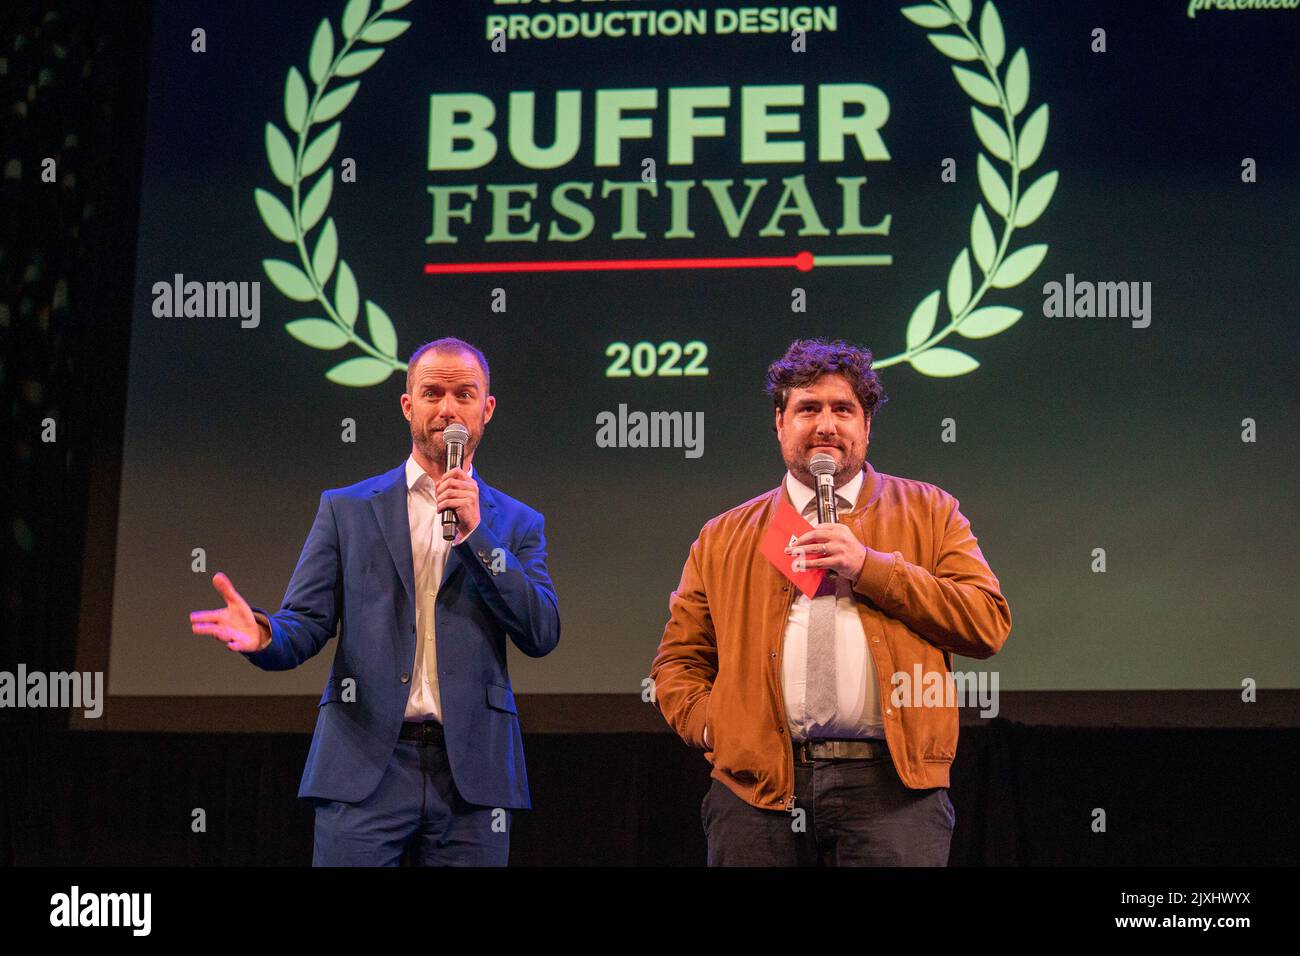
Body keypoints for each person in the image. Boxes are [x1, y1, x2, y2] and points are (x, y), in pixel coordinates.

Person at [189, 337, 560, 866]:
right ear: (408, 405)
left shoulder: (517, 523)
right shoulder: (347, 510)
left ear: (487, 409)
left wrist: (479, 536)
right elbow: (307, 623)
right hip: (365, 763)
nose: (448, 408)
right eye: (432, 393)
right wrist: (265, 634)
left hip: (472, 776)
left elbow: (541, 631)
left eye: (464, 394)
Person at [650, 338, 1011, 866]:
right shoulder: (724, 535)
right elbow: (678, 662)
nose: (826, 425)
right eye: (807, 408)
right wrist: (716, 727)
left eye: (843, 409)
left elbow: (986, 623)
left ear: (867, 427)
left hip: (894, 790)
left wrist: (870, 567)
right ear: (780, 422)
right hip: (756, 794)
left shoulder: (932, 511)